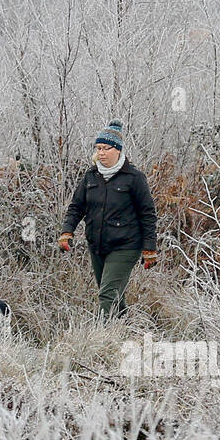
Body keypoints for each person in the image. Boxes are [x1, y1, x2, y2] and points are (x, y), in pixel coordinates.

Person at [57, 120, 158, 319]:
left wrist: (149, 249)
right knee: (113, 295)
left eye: (105, 148)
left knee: (107, 294)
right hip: (97, 245)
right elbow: (76, 207)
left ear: (118, 150)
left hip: (126, 245)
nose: (101, 153)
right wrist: (66, 232)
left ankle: (102, 340)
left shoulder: (134, 178)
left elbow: (148, 214)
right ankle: (123, 332)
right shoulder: (91, 176)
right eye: (98, 148)